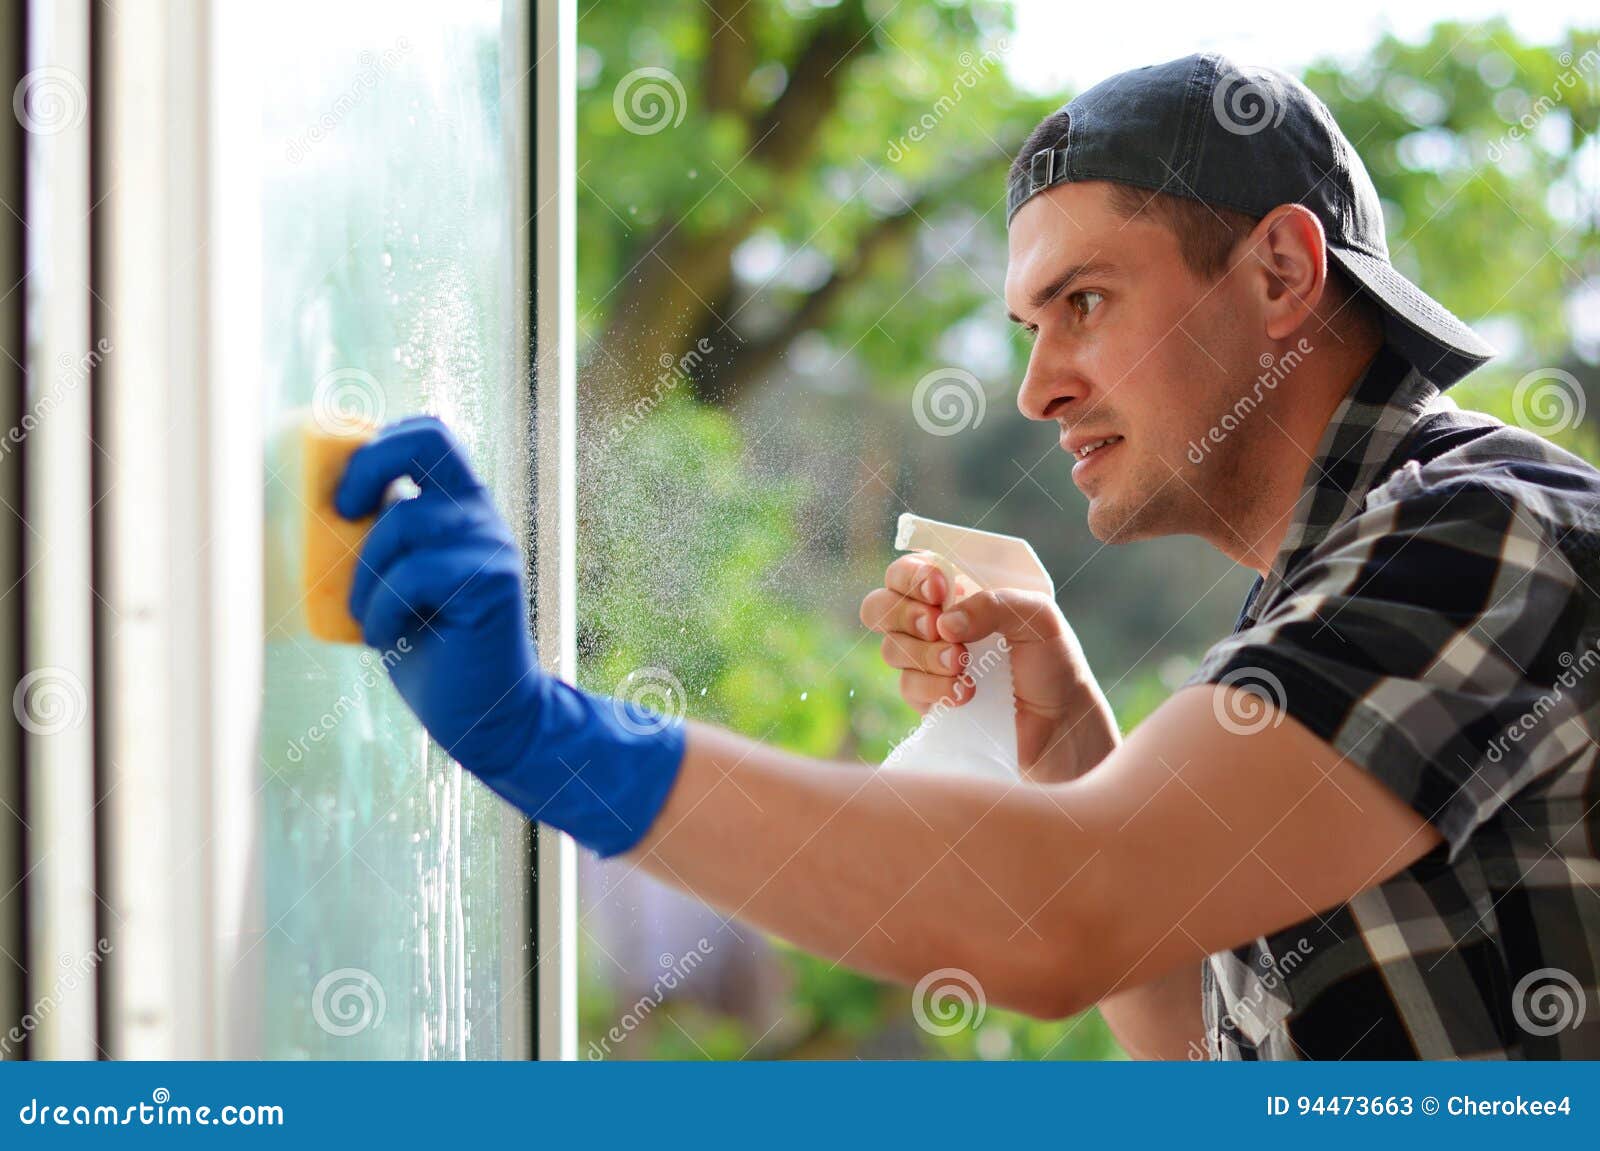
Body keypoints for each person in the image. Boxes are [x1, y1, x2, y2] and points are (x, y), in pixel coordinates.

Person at [333, 54, 1600, 1059]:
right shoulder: (1325, 592)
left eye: (1084, 302)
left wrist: (545, 736)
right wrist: (1069, 747)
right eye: (1025, 324)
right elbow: (1207, 1055)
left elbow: (1064, 919)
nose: (1039, 386)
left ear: (1279, 270)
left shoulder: (1486, 539)